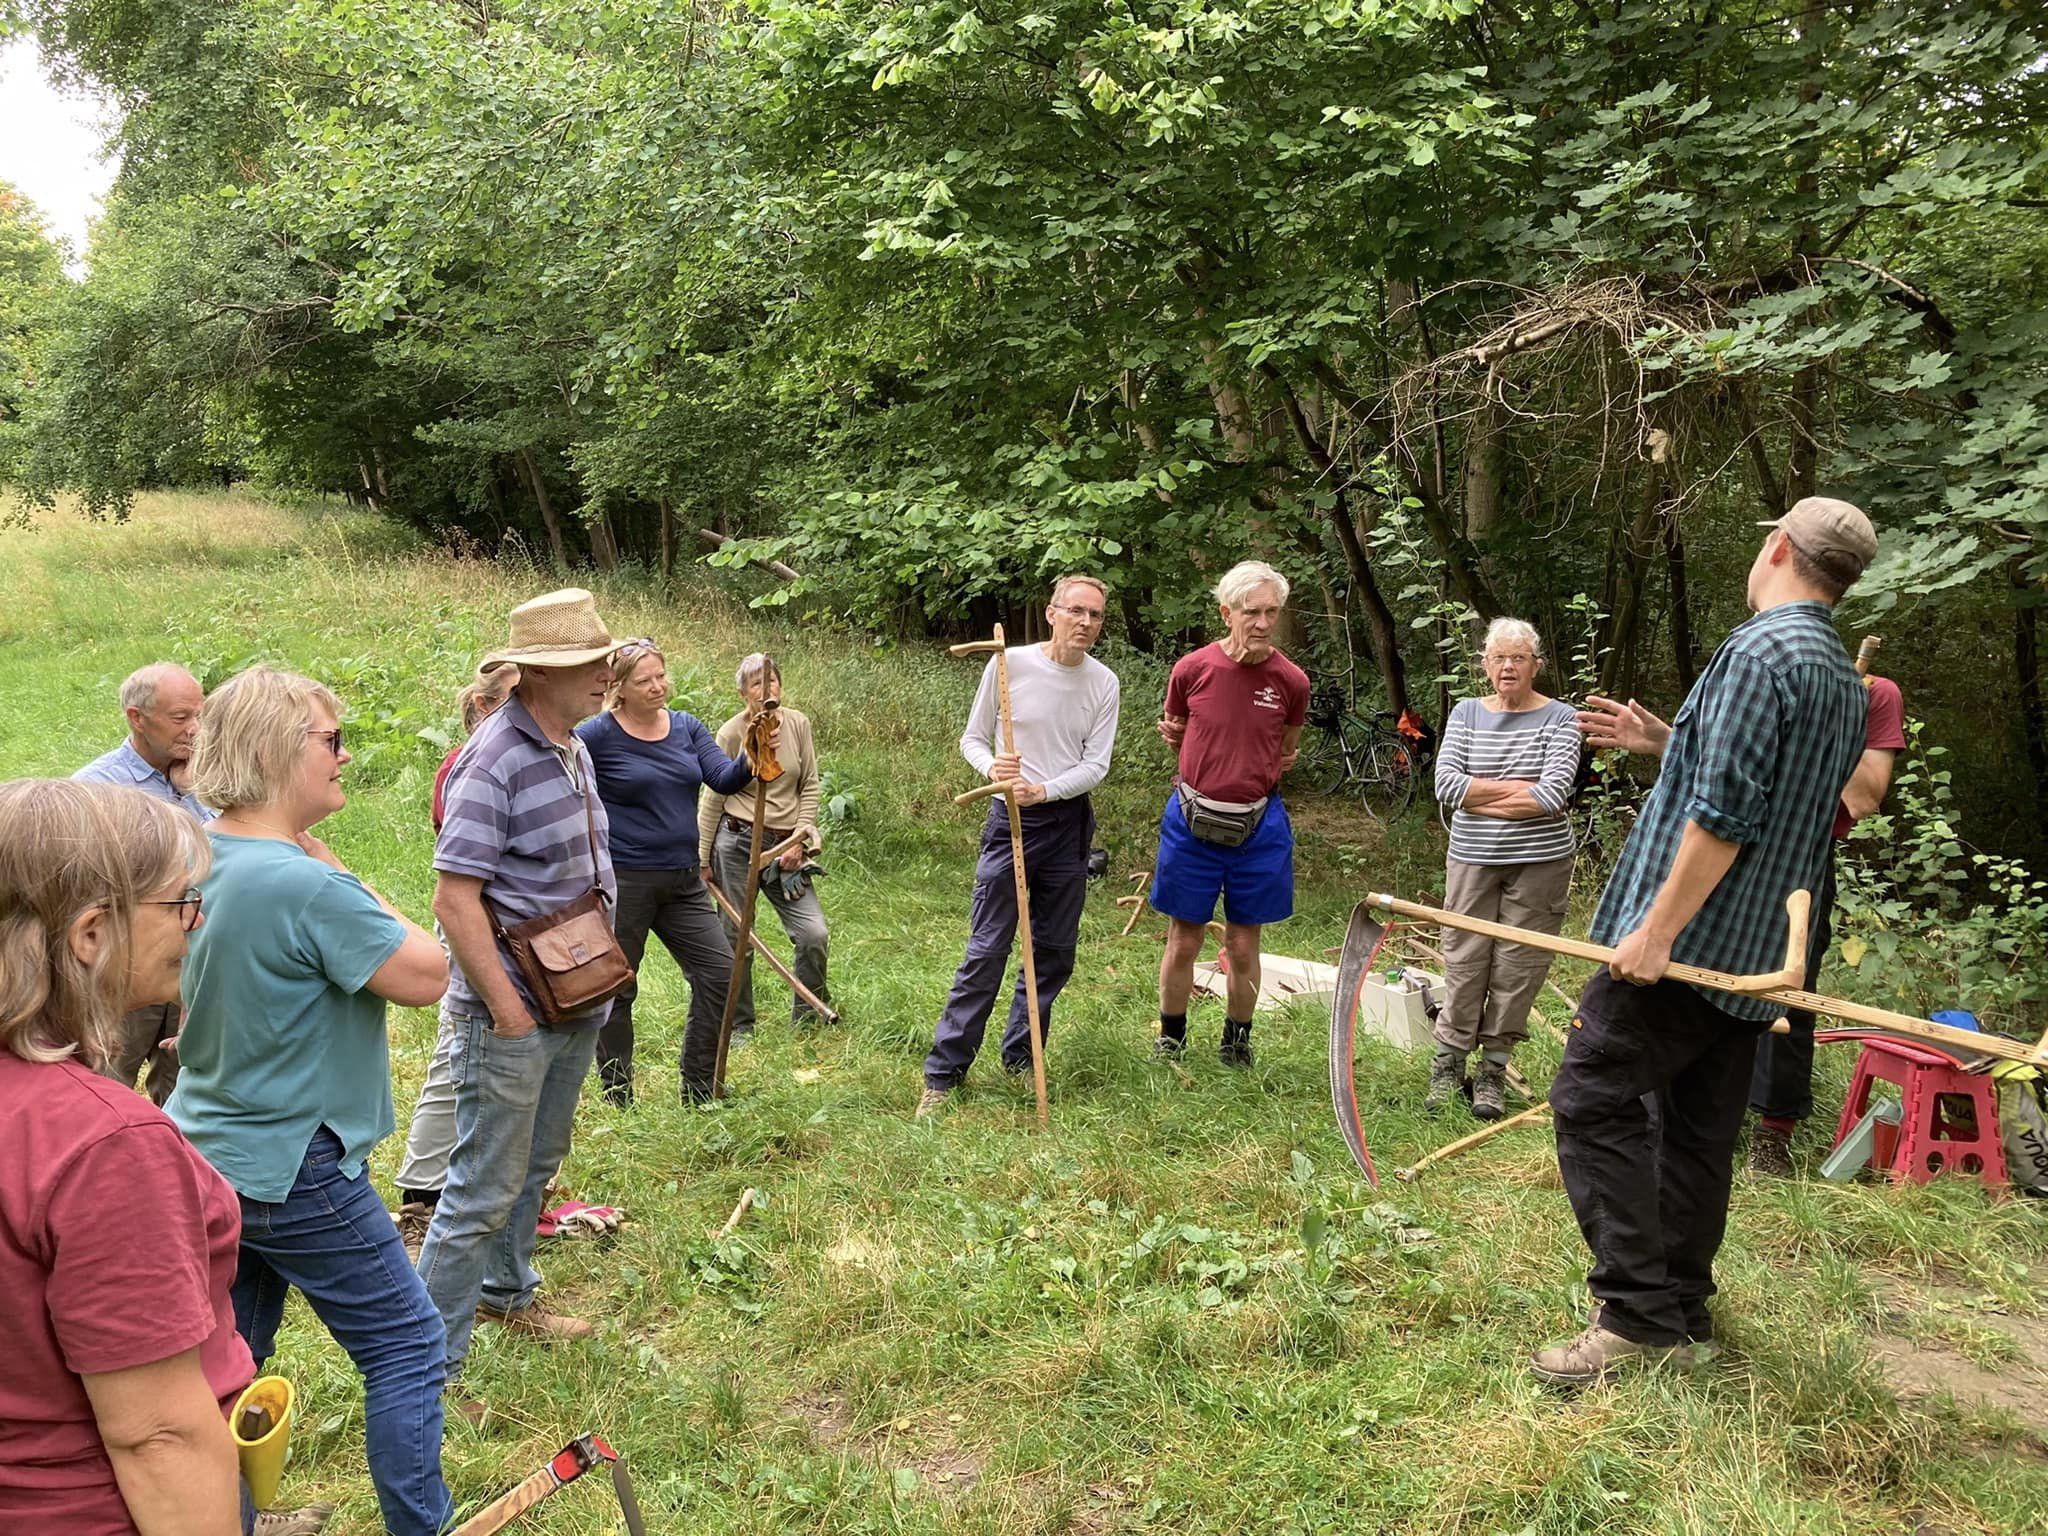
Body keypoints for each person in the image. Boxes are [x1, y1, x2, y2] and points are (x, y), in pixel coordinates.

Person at [1532, 496, 1875, 1386]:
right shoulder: (1839, 672)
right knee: (1693, 1132)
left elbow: (1723, 817)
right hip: (1760, 954)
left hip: (1692, 948)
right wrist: (1669, 740)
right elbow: (1772, 791)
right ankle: (1681, 1307)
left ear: (1776, 549)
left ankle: (1635, 1315)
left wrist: (1656, 931)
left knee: (1591, 1096)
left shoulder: (1761, 651)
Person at [0, 778, 329, 1536]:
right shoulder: (105, 1145)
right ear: (89, 934)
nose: (197, 920)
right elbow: (157, 1434)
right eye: (181, 901)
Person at [168, 666, 455, 1534]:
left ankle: (227, 1521)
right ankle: (424, 1526)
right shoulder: (302, 883)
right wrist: (336, 866)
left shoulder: (196, 855)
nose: (346, 755)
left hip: (203, 1146)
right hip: (294, 1163)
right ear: (275, 750)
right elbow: (427, 973)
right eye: (330, 740)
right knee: (407, 1345)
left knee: (233, 1362)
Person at [1579, 651, 1905, 1177]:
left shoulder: (1872, 692)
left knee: (1783, 993)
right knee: (1687, 981)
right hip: (1728, 844)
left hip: (1795, 858)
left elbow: (1864, 799)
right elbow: (1735, 781)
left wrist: (1832, 728)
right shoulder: (1772, 672)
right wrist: (1670, 743)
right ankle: (1675, 1112)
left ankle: (1774, 1132)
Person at [419, 588, 628, 1405]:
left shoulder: (569, 744)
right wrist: (507, 1011)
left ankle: (507, 1299)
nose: (607, 677)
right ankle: (431, 1370)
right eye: (592, 666)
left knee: (536, 1167)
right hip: (512, 1017)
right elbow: (454, 898)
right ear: (542, 673)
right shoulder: (496, 759)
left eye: (606, 661)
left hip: (576, 1000)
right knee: (477, 1190)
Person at [917, 576, 1121, 1115]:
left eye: (1096, 616)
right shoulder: (1011, 665)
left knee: (1052, 952)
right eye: (1076, 611)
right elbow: (973, 739)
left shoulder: (1103, 683)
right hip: (1010, 823)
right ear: (1052, 613)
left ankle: (1022, 1055)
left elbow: (1096, 764)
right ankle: (944, 1072)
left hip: (1067, 823)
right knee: (987, 949)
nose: (1086, 623)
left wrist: (1044, 789)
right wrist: (995, 769)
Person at [575, 636, 760, 1104]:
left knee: (721, 973)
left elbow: (723, 778)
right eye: (645, 680)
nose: (658, 686)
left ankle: (700, 1088)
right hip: (626, 881)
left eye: (661, 676)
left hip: (684, 880)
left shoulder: (686, 727)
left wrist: (753, 754)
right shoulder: (597, 735)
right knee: (618, 987)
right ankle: (618, 1094)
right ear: (619, 688)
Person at [1153, 561, 1309, 1068]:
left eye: (1271, 612)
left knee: (1244, 943)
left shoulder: (1292, 681)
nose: (1263, 623)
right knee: (1185, 937)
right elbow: (1174, 727)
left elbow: (1288, 749)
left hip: (1258, 826)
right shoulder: (1192, 669)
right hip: (1191, 820)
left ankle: (1237, 1043)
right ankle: (1171, 1038)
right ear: (1227, 613)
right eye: (1251, 611)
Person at [1429, 619, 1582, 1120]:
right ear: (1485, 665)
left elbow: (1554, 793)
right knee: (1464, 958)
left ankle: (1493, 1072)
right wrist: (1519, 791)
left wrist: (1482, 793)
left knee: (1519, 966)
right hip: (1472, 858)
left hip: (1541, 864)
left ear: (1536, 665)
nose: (1508, 667)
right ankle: (1447, 1064)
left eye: (1518, 658)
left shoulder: (1561, 718)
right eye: (1499, 658)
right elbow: (1447, 786)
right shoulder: (1466, 713)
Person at [394, 661, 519, 1255]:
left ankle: (487, 1186)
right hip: (480, 933)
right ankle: (422, 1192)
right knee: (456, 1050)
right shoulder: (469, 766)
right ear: (490, 704)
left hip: (516, 938)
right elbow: (466, 882)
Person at [72, 662, 214, 1106]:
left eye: (200, 715)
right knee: (107, 1084)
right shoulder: (97, 789)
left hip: (195, 955)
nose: (195, 729)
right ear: (137, 718)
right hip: (131, 964)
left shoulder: (205, 779)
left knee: (185, 1086)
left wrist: (197, 790)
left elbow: (229, 854)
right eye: (180, 718)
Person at [699, 654, 832, 1037]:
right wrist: (702, 856)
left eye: (771, 681)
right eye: (757, 683)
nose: (766, 689)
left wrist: (800, 836)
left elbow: (809, 783)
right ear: (743, 692)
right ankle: (739, 1026)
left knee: (813, 934)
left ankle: (808, 1021)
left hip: (785, 852)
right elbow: (713, 798)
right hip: (737, 843)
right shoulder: (730, 733)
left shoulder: (798, 724)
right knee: (736, 937)